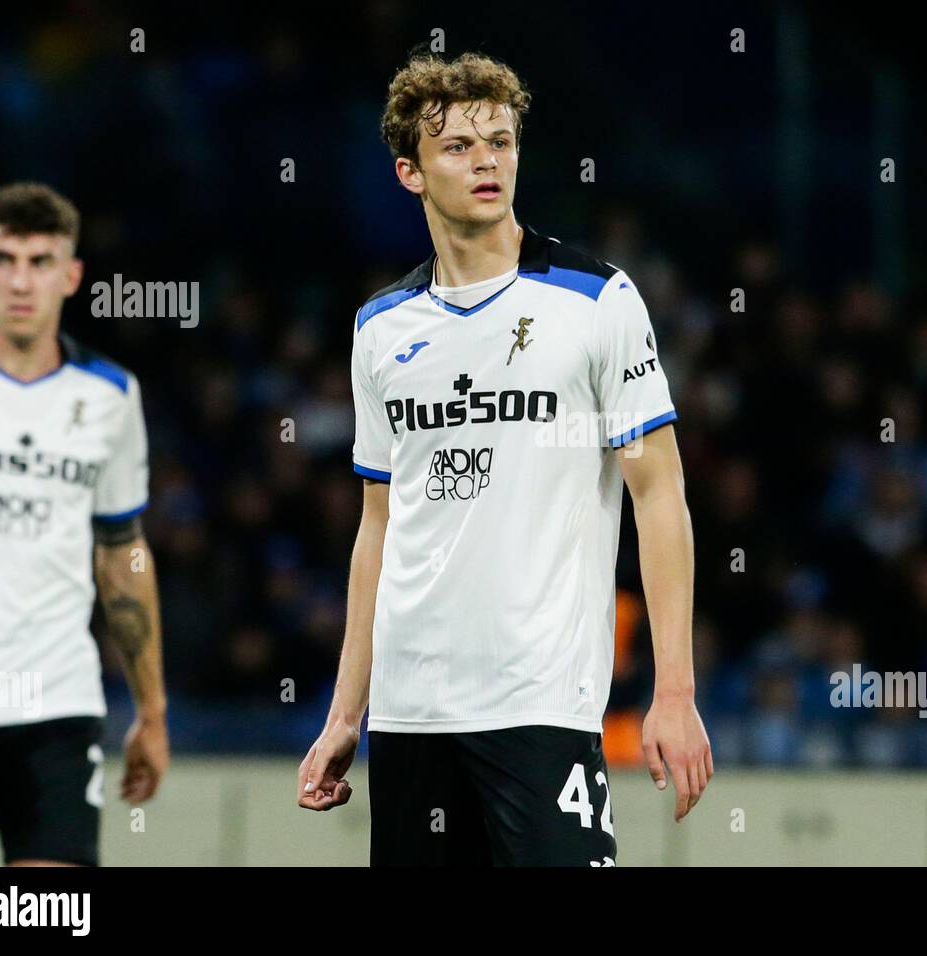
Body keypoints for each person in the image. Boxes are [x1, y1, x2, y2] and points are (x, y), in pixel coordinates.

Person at [298, 52, 711, 866]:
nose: (487, 160)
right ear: (409, 172)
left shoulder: (596, 299)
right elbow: (379, 525)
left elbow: (659, 494)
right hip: (413, 712)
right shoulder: (379, 328)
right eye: (457, 146)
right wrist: (348, 712)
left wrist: (675, 690)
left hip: (541, 702)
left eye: (501, 140)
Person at [0, 182, 169, 866]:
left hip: (57, 707)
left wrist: (152, 712)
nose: (20, 280)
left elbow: (123, 553)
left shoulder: (110, 395)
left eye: (40, 262)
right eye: (4, 259)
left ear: (71, 276)